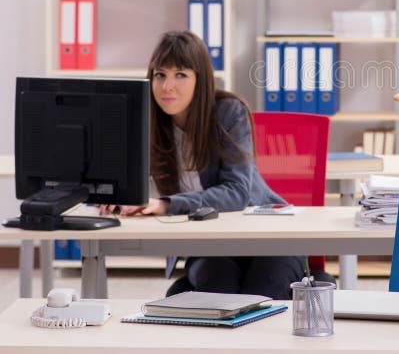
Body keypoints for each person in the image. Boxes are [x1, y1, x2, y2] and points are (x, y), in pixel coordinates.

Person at [100, 30, 316, 298]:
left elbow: (237, 193)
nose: (168, 86)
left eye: (180, 74)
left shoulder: (228, 112)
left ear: (200, 79)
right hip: (209, 244)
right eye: (160, 75)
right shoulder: (149, 122)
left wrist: (165, 204)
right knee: (218, 288)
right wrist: (114, 196)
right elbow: (125, 178)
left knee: (261, 294)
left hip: (268, 237)